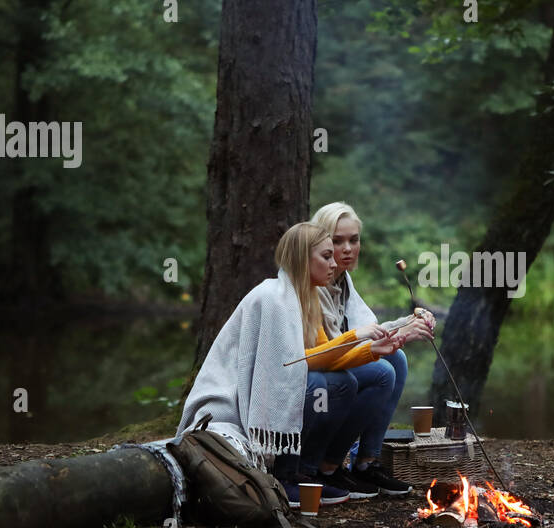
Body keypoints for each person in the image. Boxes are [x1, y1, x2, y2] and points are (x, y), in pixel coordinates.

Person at [174, 222, 404, 509]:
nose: (334, 264)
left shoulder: (306, 296)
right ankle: (284, 475)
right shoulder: (275, 297)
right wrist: (356, 336)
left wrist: (372, 350)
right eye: (326, 256)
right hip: (231, 399)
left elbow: (323, 357)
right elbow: (293, 366)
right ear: (301, 258)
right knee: (326, 384)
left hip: (281, 380)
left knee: (354, 379)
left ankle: (310, 472)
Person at [310, 202, 436, 497]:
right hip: (315, 368)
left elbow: (369, 329)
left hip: (333, 360)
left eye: (353, 240)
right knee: (381, 371)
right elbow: (333, 347)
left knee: (398, 360)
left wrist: (410, 321)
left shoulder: (343, 280)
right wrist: (400, 332)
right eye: (337, 241)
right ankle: (328, 468)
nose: (347, 249)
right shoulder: (315, 283)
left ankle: (367, 462)